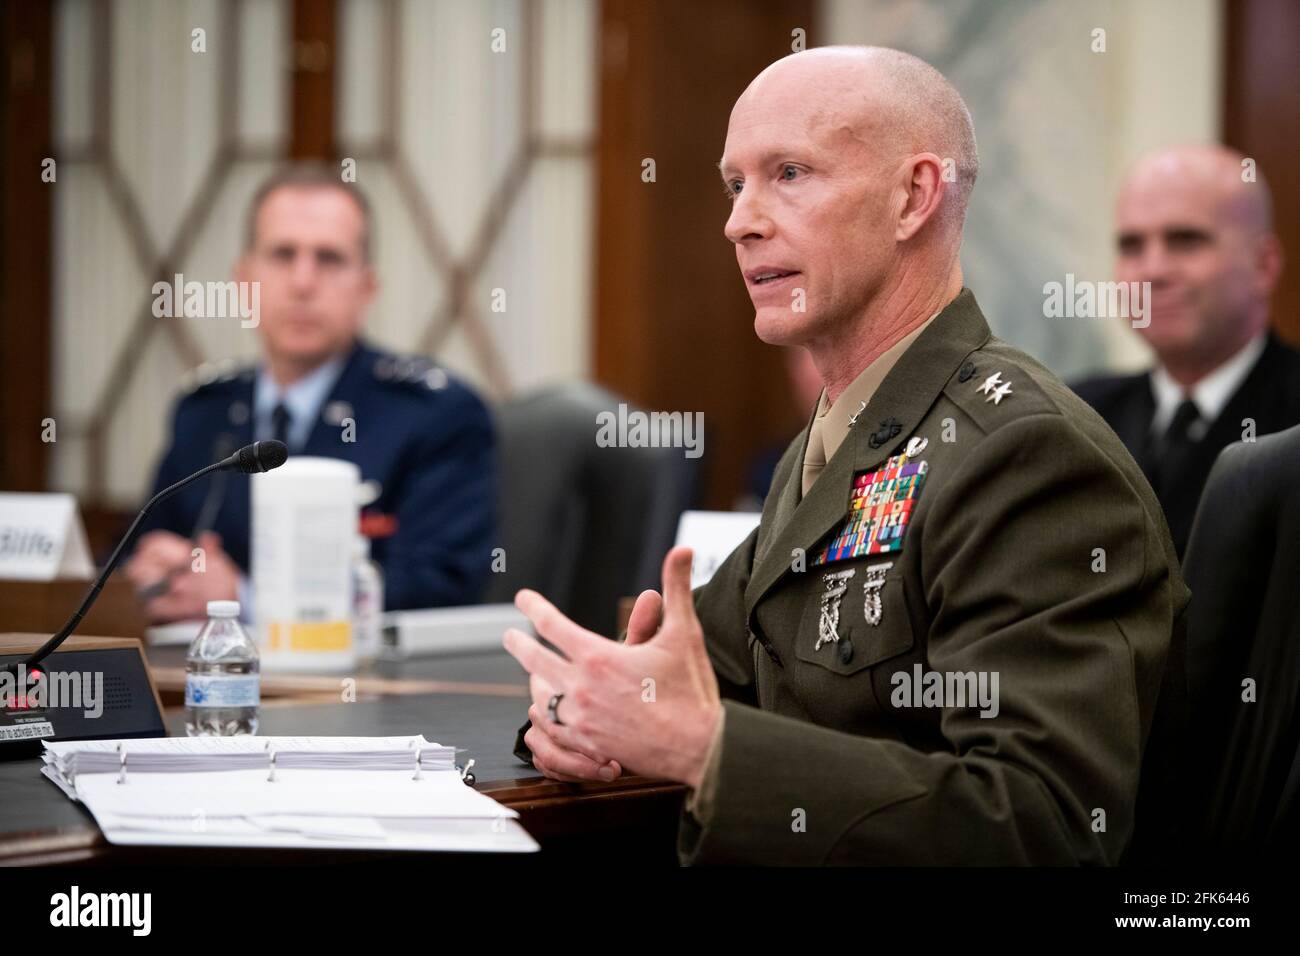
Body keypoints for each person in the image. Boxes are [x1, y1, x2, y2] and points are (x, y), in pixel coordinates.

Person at [505, 46, 1188, 865]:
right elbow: (703, 676)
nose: (740, 220)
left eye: (789, 173)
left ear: (914, 197)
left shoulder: (1024, 455)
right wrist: (585, 713)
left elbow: (1043, 825)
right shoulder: (837, 438)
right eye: (735, 184)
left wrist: (706, 752)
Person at [125, 165, 497, 619]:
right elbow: (131, 552)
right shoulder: (205, 411)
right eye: (283, 255)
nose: (303, 283)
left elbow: (440, 588)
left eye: (329, 259)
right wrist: (150, 571)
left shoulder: (433, 414)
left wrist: (243, 600)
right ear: (244, 281)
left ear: (366, 288)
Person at [1072, 144, 1300, 558]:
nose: (1153, 270)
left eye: (1185, 240)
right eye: (1131, 246)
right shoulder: (1076, 415)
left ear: (1263, 265)